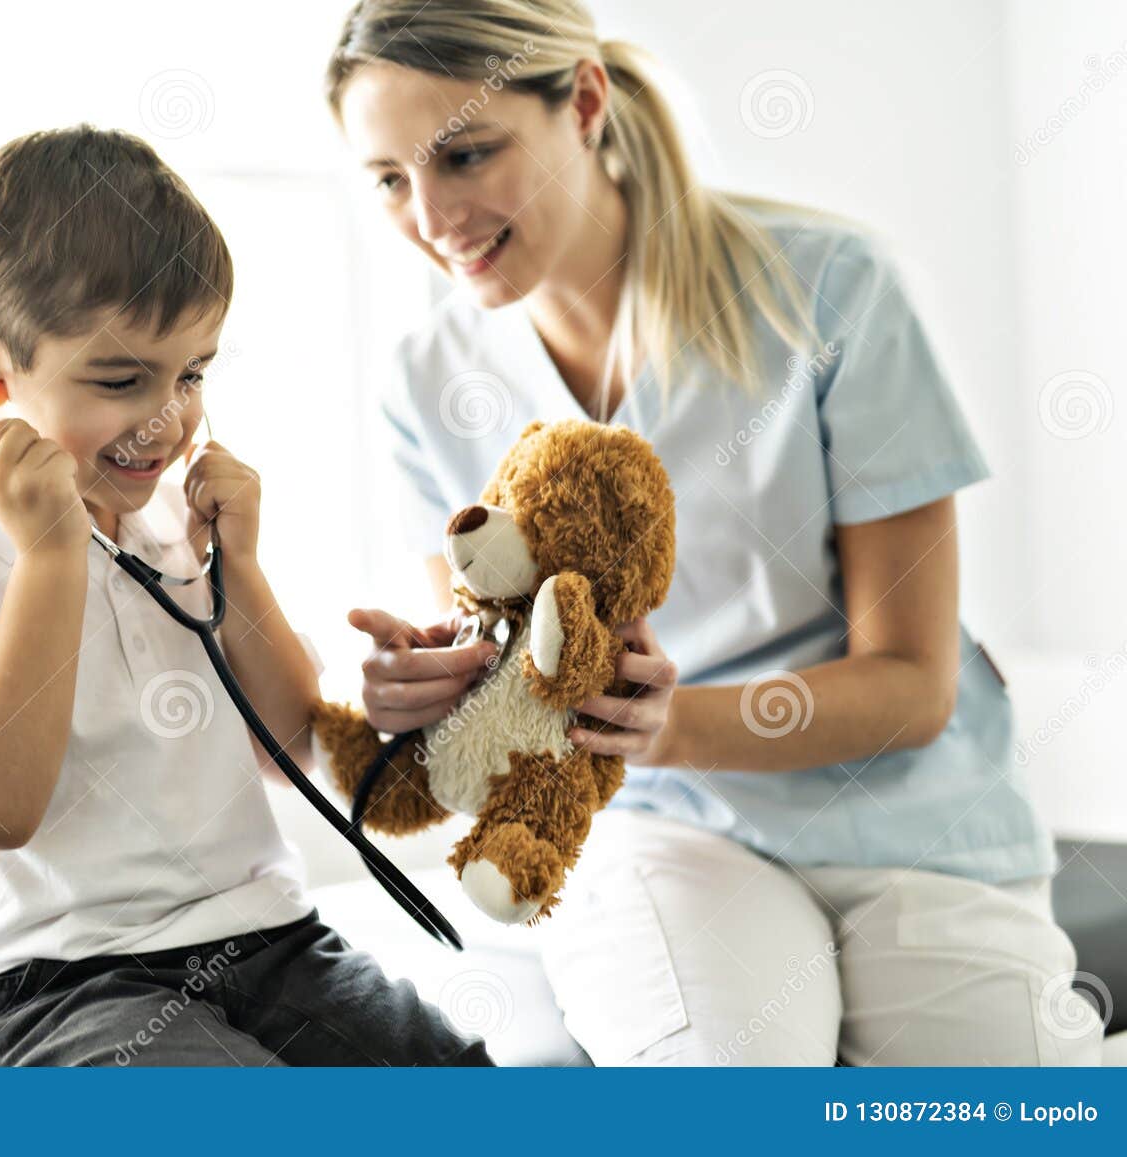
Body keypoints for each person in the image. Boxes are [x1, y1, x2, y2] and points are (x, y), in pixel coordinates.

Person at [325, 0, 1103, 1065]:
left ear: (585, 102)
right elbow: (503, 673)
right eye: (387, 179)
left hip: (909, 819)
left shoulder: (827, 290)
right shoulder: (425, 381)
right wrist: (434, 691)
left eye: (465, 154)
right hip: (654, 823)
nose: (431, 214)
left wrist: (667, 721)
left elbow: (913, 683)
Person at [0, 126, 492, 1067]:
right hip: (57, 980)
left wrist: (244, 566)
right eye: (120, 379)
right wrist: (54, 560)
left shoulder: (166, 522)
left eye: (192, 373)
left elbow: (292, 739)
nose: (167, 418)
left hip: (271, 941)